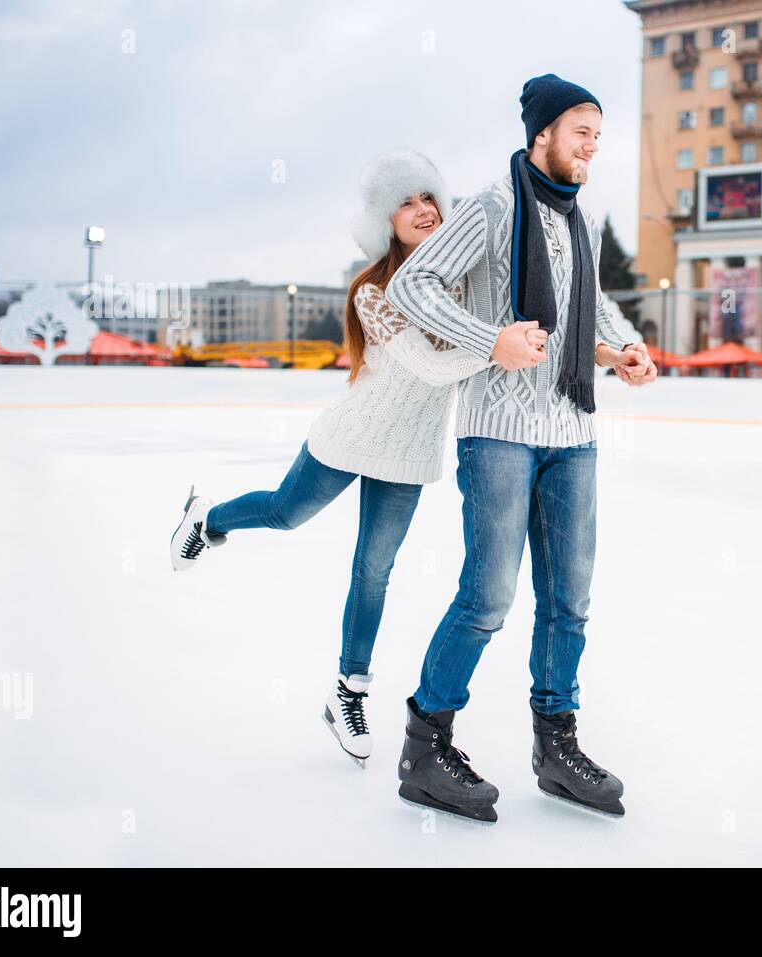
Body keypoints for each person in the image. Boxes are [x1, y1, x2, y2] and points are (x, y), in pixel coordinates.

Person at [167, 148, 547, 770]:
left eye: (429, 198)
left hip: (410, 451)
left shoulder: (463, 287)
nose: (423, 210)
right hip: (352, 434)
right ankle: (208, 518)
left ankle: (348, 692)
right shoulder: (374, 290)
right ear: (384, 220)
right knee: (287, 514)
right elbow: (425, 365)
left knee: (374, 568)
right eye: (406, 202)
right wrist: (494, 349)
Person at [386, 73, 657, 823]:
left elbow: (590, 305)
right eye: (581, 131)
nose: (592, 145)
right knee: (489, 597)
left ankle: (555, 746)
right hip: (498, 432)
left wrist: (623, 349)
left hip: (573, 431)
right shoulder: (491, 208)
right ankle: (425, 745)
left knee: (569, 601)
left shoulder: (579, 219)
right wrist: (489, 341)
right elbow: (414, 285)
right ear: (542, 133)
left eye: (599, 134)